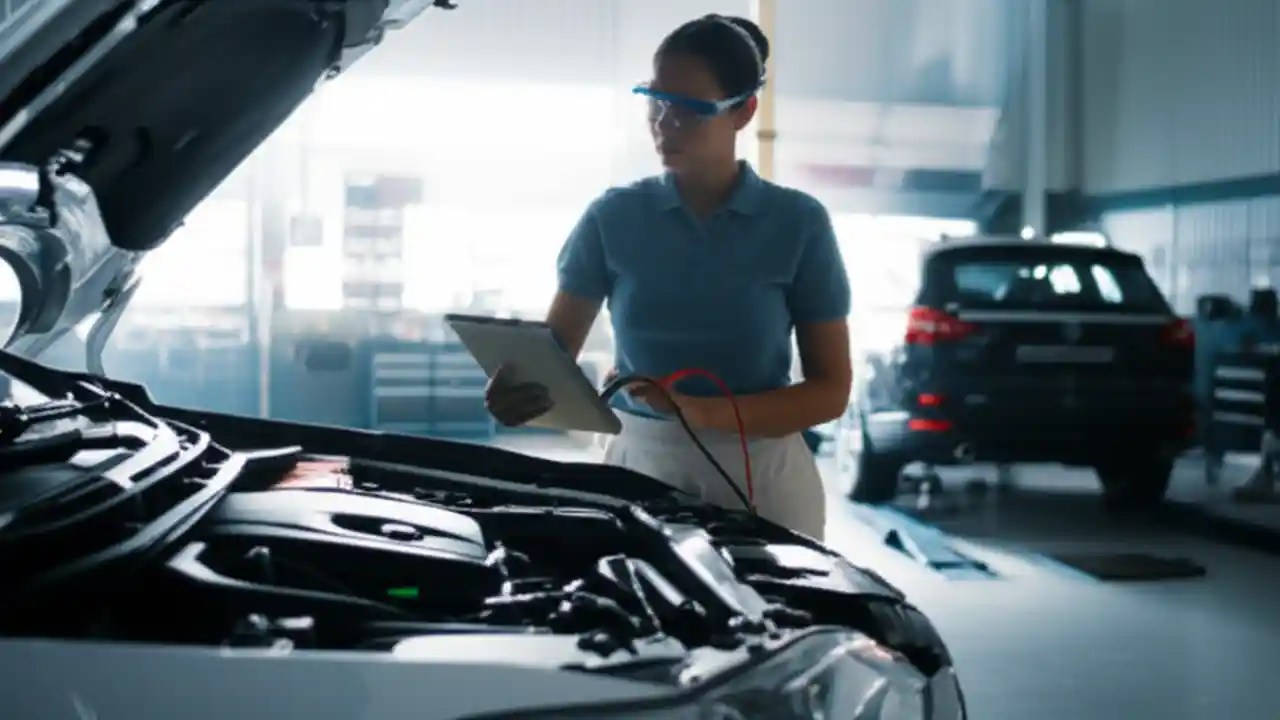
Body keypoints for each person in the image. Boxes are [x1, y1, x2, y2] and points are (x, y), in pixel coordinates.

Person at [484, 14, 852, 540]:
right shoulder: (613, 217)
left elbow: (830, 392)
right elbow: (551, 363)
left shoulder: (797, 224)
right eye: (655, 101)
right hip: (639, 468)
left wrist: (705, 412)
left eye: (689, 110)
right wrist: (519, 395)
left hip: (762, 474)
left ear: (744, 111)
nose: (664, 122)